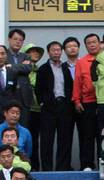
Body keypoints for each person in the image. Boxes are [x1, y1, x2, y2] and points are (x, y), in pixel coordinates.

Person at [36, 41, 75, 172]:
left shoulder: (66, 68)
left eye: (58, 50)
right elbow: (38, 89)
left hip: (64, 106)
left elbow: (70, 86)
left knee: (65, 139)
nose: (56, 52)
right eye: (53, 50)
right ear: (49, 52)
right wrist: (43, 102)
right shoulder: (43, 69)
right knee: (47, 140)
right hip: (48, 108)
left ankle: (62, 167)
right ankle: (46, 168)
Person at [72, 34, 101, 171]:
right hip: (87, 102)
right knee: (87, 136)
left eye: (94, 42)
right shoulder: (81, 62)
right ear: (85, 46)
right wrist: (77, 100)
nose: (92, 45)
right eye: (89, 43)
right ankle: (87, 165)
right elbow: (77, 82)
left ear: (99, 43)